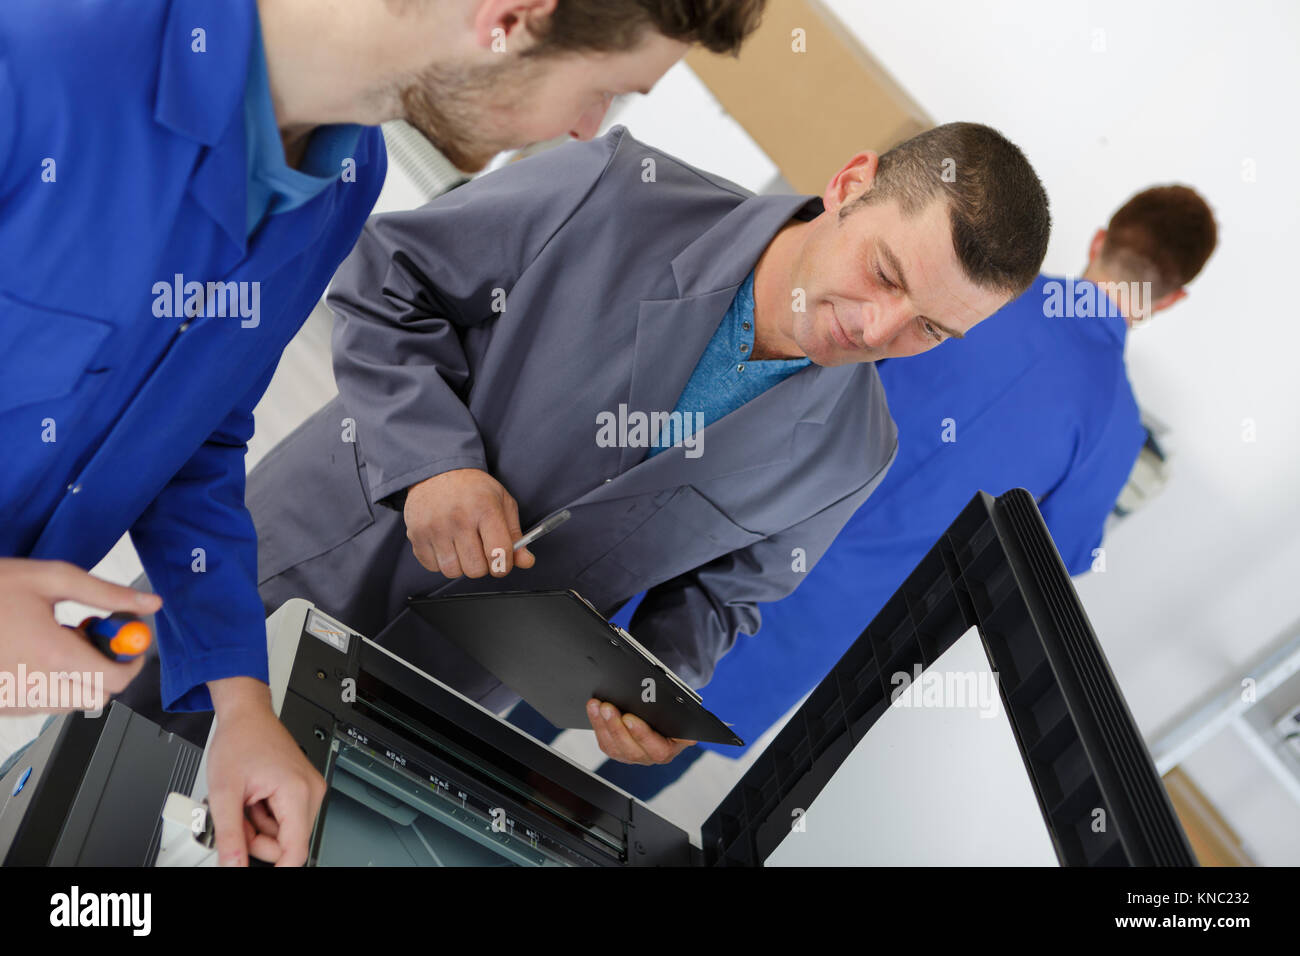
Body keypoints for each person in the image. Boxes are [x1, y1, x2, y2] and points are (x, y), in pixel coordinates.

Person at [0, 0, 765, 866]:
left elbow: (194, 445)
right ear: (513, 18)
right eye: (605, 94)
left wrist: (242, 699)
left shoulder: (343, 180)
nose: (591, 131)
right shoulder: (47, 46)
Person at [246, 121, 1051, 768]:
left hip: (442, 686)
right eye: (884, 272)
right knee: (129, 749)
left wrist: (658, 688)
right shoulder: (616, 191)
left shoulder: (854, 455)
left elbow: (722, 598)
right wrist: (433, 464)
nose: (876, 330)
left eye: (929, 329)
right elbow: (391, 278)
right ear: (848, 185)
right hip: (306, 557)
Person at [576, 183, 1218, 799]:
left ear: (1101, 238)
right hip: (832, 619)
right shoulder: (1114, 429)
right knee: (650, 751)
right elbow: (1051, 565)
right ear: (1173, 299)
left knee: (572, 673)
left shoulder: (966, 294)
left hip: (735, 520)